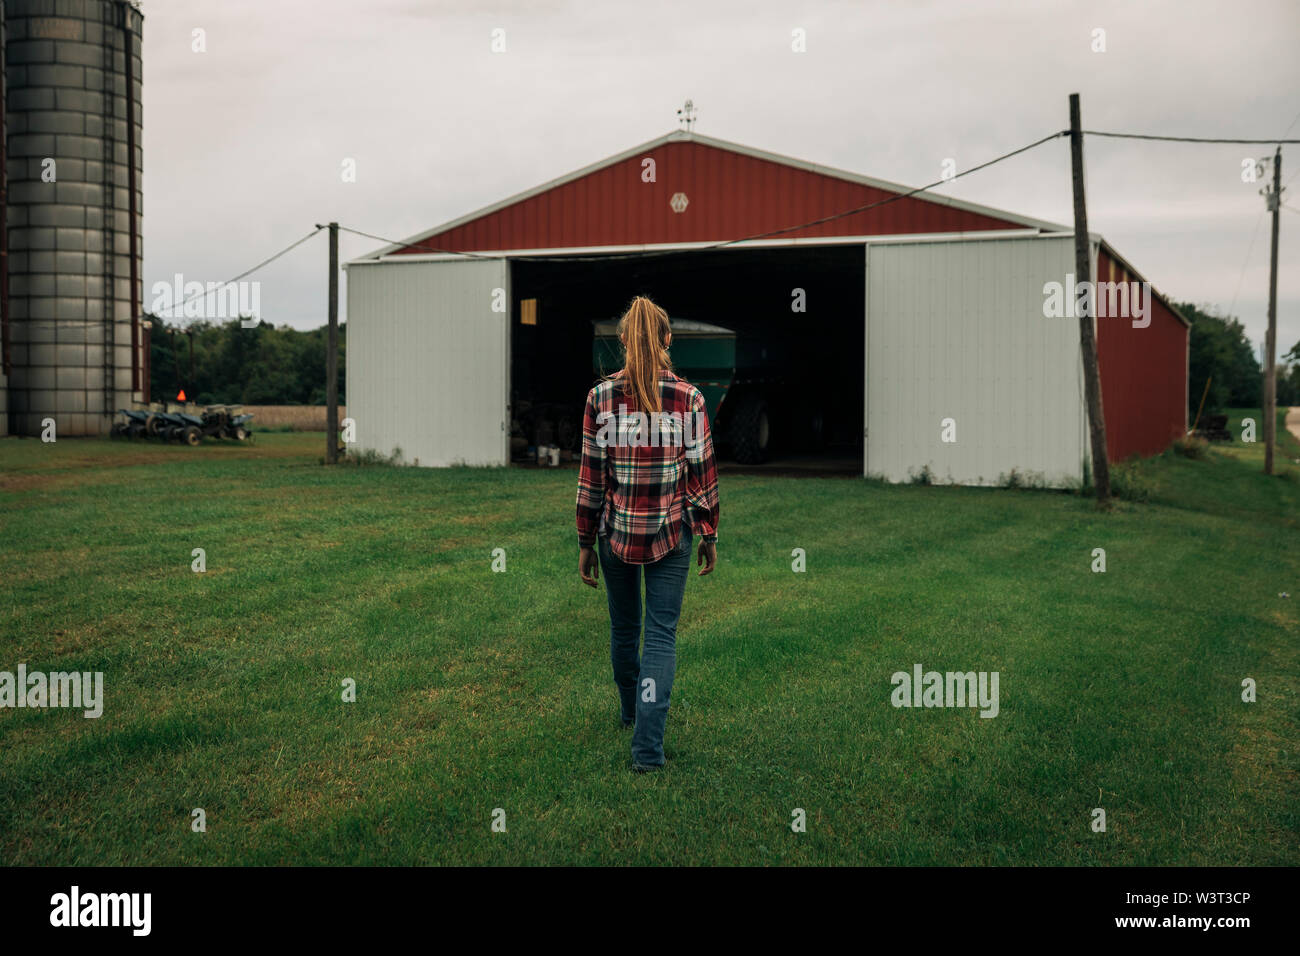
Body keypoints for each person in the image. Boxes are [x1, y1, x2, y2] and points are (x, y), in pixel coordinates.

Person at [575, 295, 720, 773]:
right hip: (669, 535)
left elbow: (591, 477)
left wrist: (584, 540)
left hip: (613, 534)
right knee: (659, 638)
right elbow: (701, 473)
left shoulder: (599, 399)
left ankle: (629, 714)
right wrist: (708, 532)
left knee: (623, 629)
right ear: (668, 340)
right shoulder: (689, 398)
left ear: (622, 341)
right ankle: (647, 753)